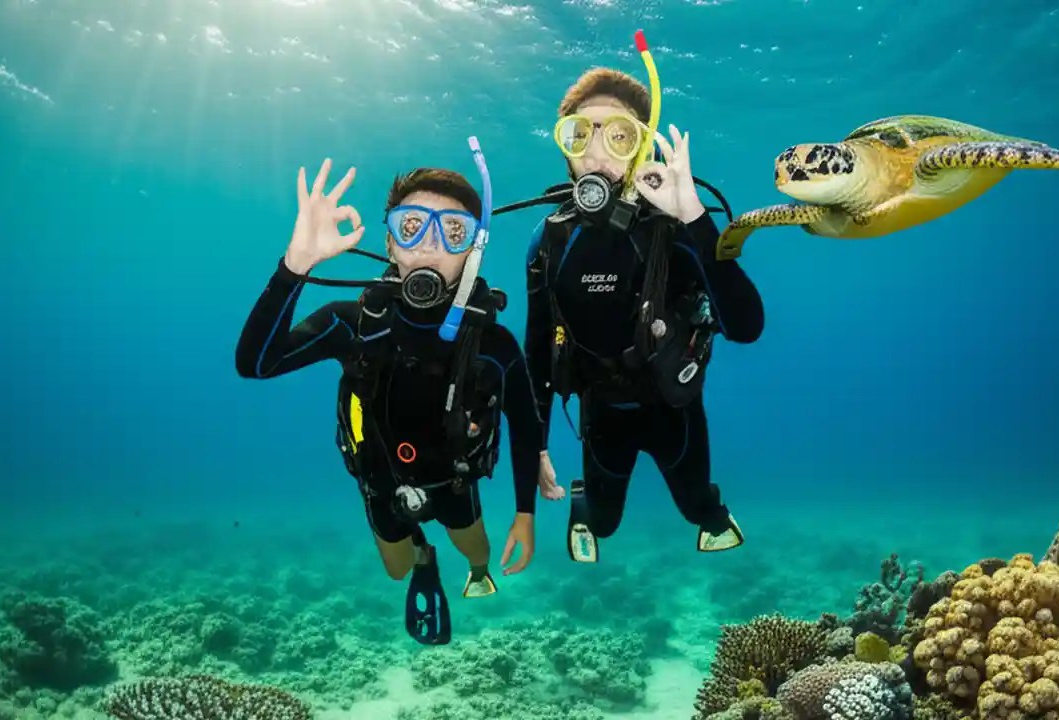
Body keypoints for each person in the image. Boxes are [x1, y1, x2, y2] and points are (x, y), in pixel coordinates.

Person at [235, 157, 545, 644]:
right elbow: (255, 363)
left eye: (454, 232)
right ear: (390, 243)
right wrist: (295, 267)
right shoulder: (354, 323)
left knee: (478, 554)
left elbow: (526, 425)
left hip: (454, 479)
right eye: (412, 227)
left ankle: (473, 569)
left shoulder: (493, 344)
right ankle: (424, 557)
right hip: (381, 481)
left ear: (473, 252)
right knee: (399, 569)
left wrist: (525, 514)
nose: (429, 246)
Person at [500, 58, 765, 563]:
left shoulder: (675, 226)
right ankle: (585, 504)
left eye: (619, 136)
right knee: (603, 523)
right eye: (580, 135)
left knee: (697, 504)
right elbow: (537, 350)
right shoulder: (550, 241)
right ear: (565, 149)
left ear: (642, 147)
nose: (597, 154)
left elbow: (747, 327)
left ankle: (706, 511)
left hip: (676, 405)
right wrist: (536, 445)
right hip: (603, 413)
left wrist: (693, 215)